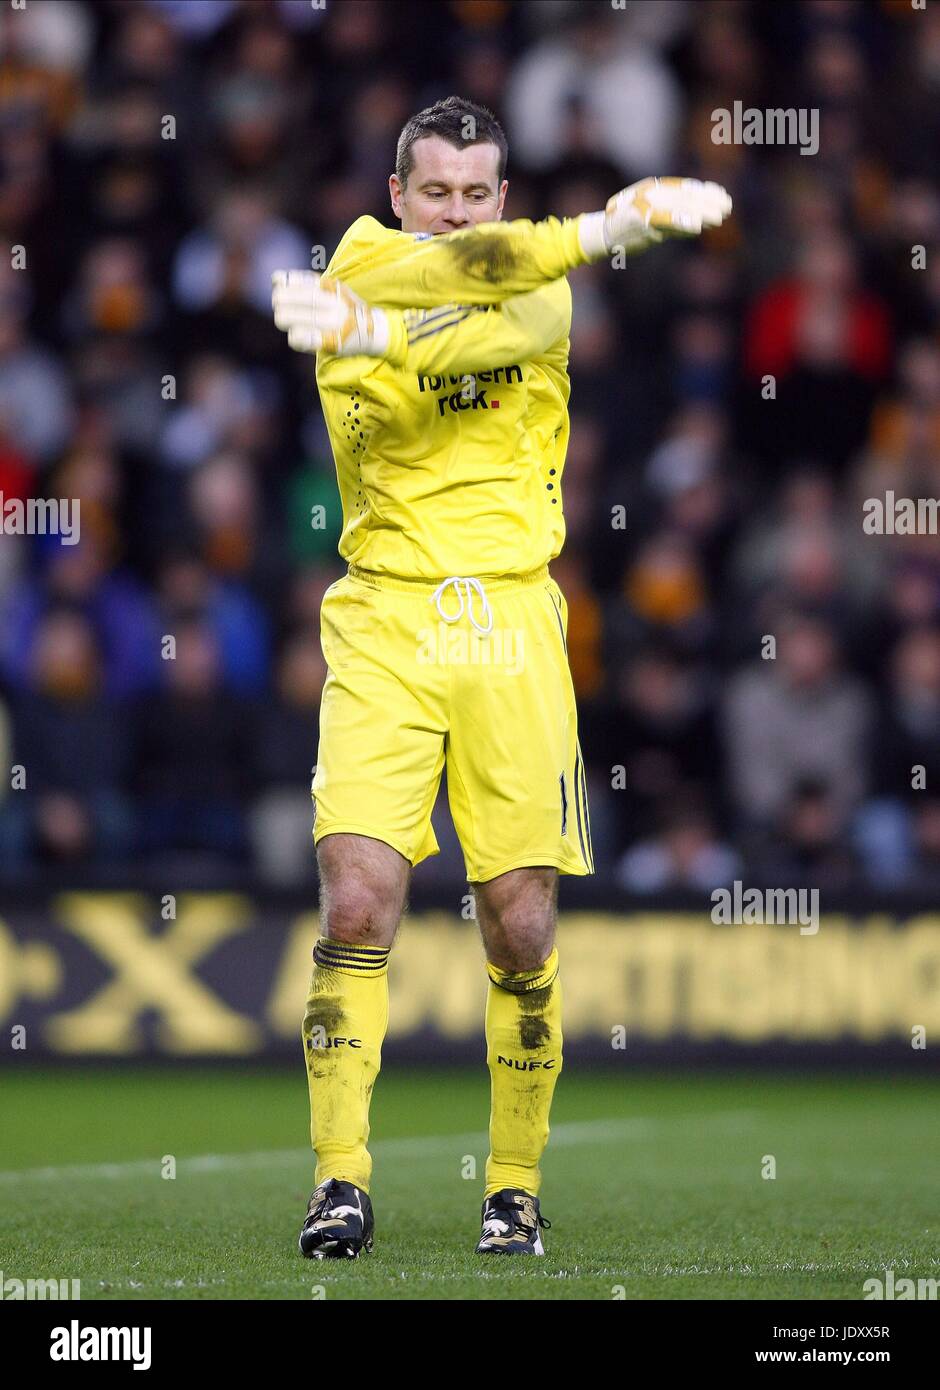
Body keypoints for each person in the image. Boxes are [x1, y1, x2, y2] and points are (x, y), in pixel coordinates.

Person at [271, 96, 731, 1259]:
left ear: (503, 201)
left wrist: (376, 334)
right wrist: (606, 227)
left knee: (519, 923)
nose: (456, 213)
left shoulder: (538, 294)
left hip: (513, 620)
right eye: (434, 192)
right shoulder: (360, 259)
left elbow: (471, 320)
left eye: (478, 194)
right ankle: (338, 1181)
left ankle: (512, 1187)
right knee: (356, 898)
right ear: (395, 196)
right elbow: (441, 281)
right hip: (384, 616)